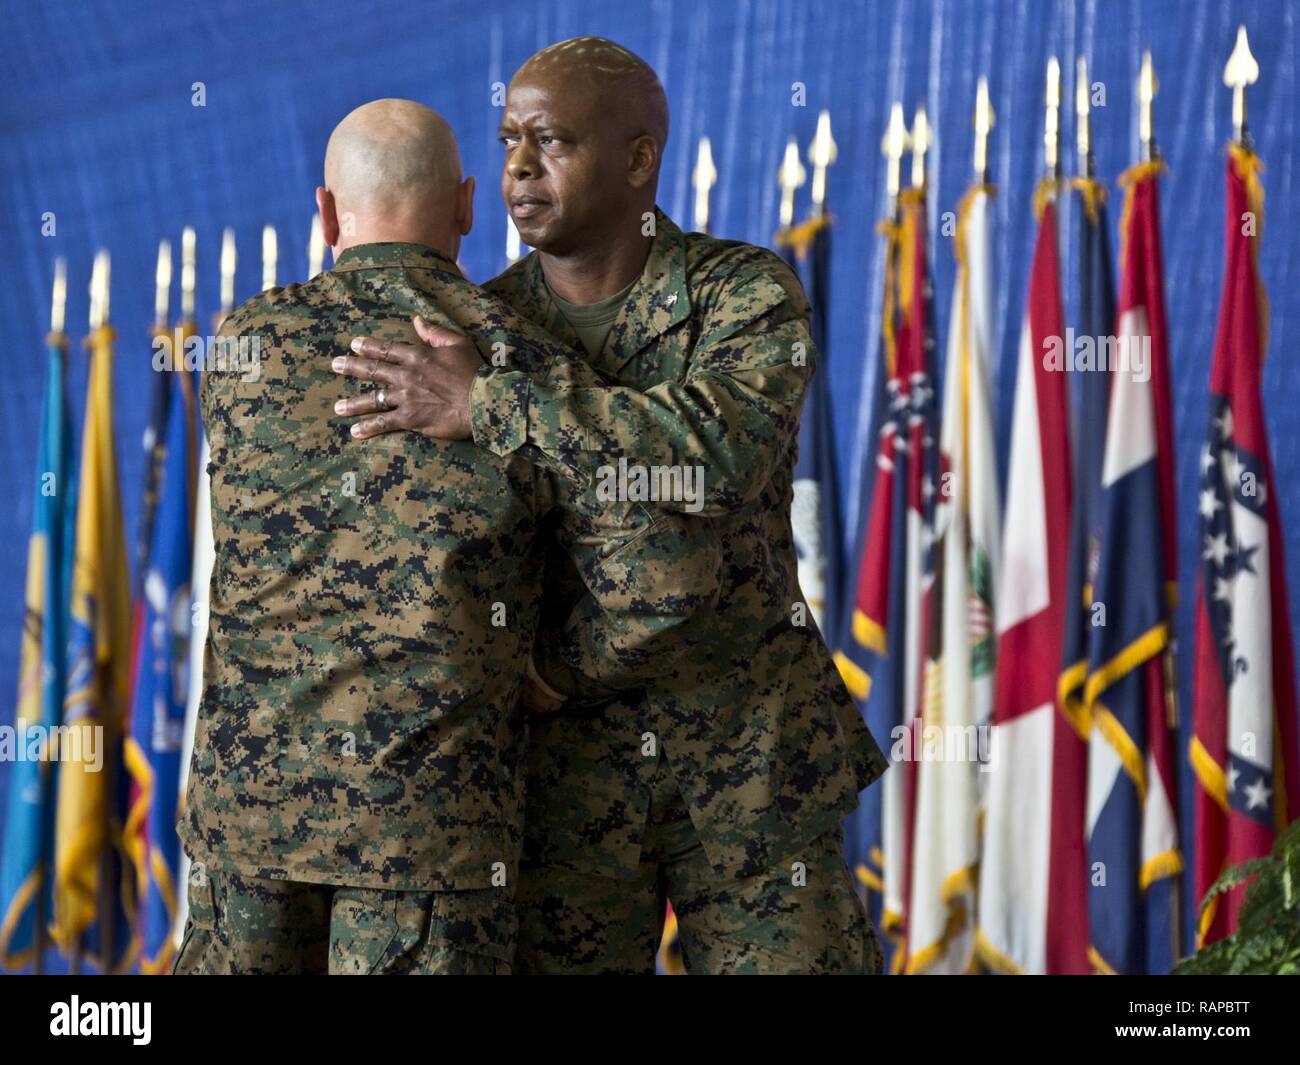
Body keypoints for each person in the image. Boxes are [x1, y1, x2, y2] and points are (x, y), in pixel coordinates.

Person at [334, 40, 888, 975]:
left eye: (549, 139)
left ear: (638, 160)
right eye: (508, 137)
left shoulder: (743, 294)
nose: (516, 165)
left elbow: (712, 460)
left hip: (751, 762)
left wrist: (494, 405)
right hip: (568, 787)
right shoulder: (475, 324)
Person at [177, 98, 718, 975]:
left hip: (250, 820)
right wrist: (559, 665)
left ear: (325, 213)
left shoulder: (243, 347)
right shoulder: (522, 359)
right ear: (468, 206)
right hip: (431, 832)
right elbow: (663, 573)